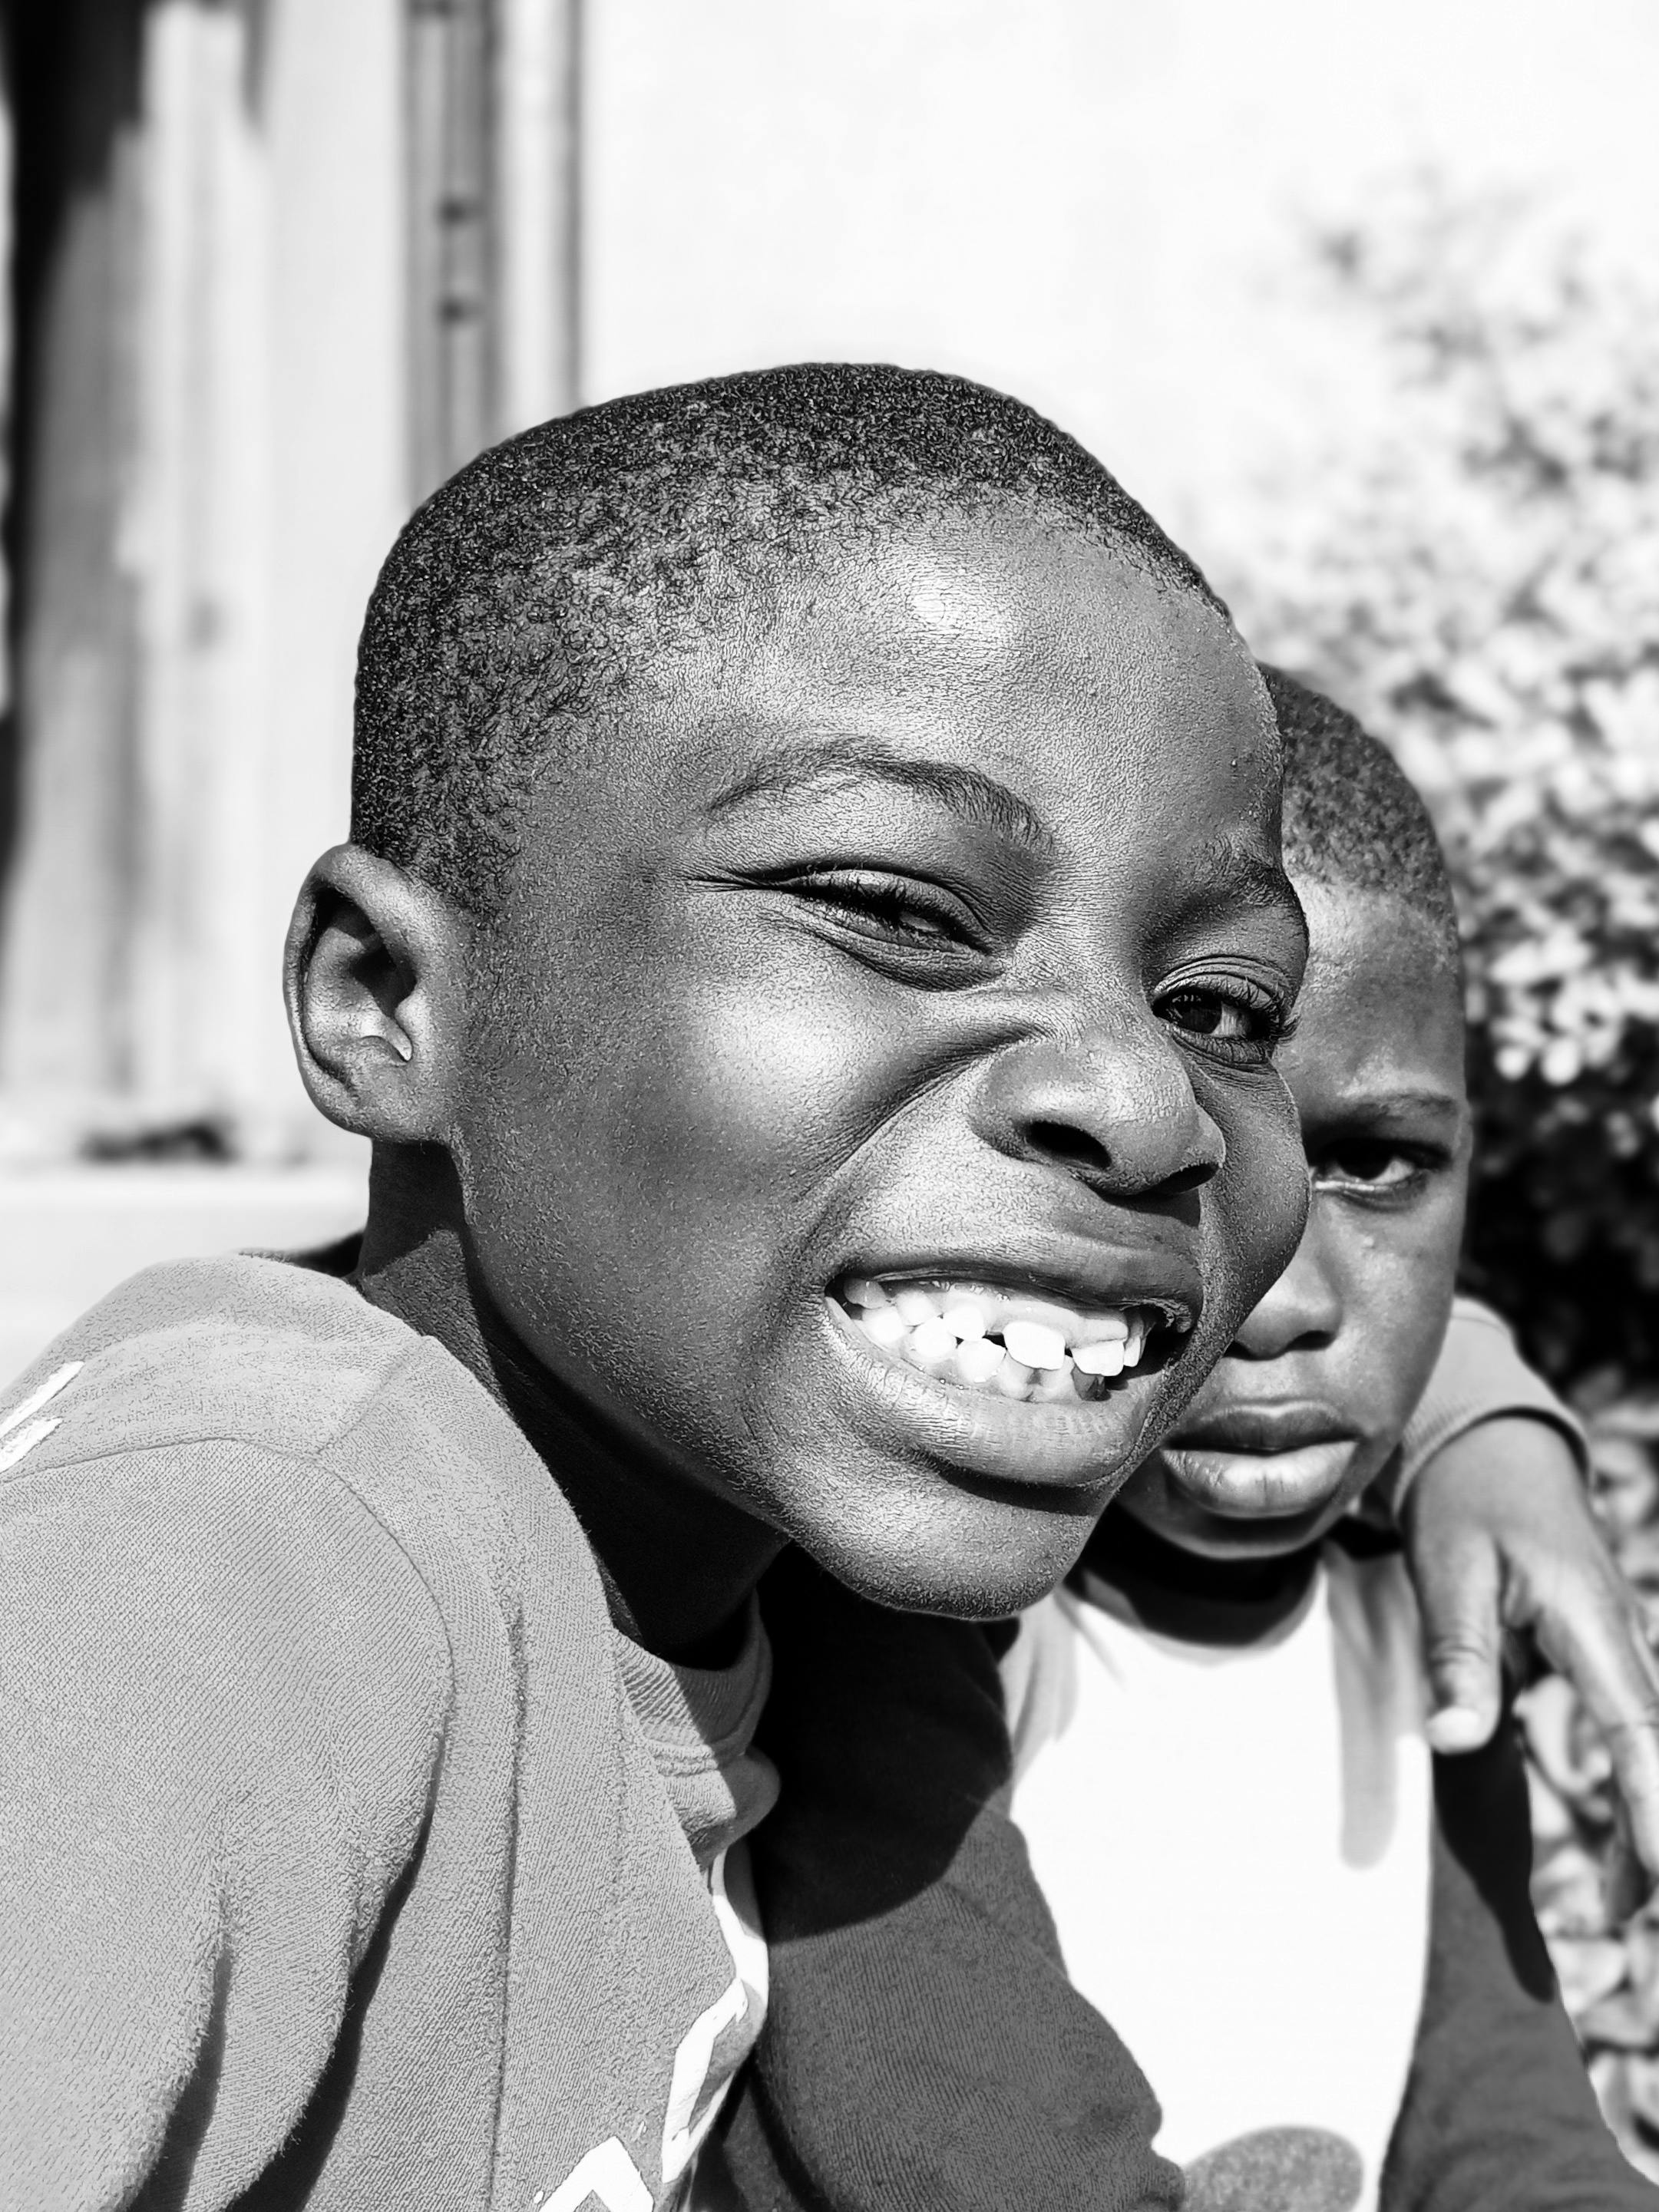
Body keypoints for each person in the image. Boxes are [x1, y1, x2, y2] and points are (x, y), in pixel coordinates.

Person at [0, 365, 1318, 2209]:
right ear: (386, 1000)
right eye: (897, 909)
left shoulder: (725, 1572)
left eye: (1223, 1007)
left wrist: (1477, 1415)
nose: (1144, 1097)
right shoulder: (238, 1552)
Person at [727, 670, 1657, 2212]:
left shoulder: (1418, 1623)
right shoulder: (920, 1592)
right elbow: (970, 2145)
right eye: (1197, 1166)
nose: (1285, 1304)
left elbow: (1501, 2121)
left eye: (1376, 1164)